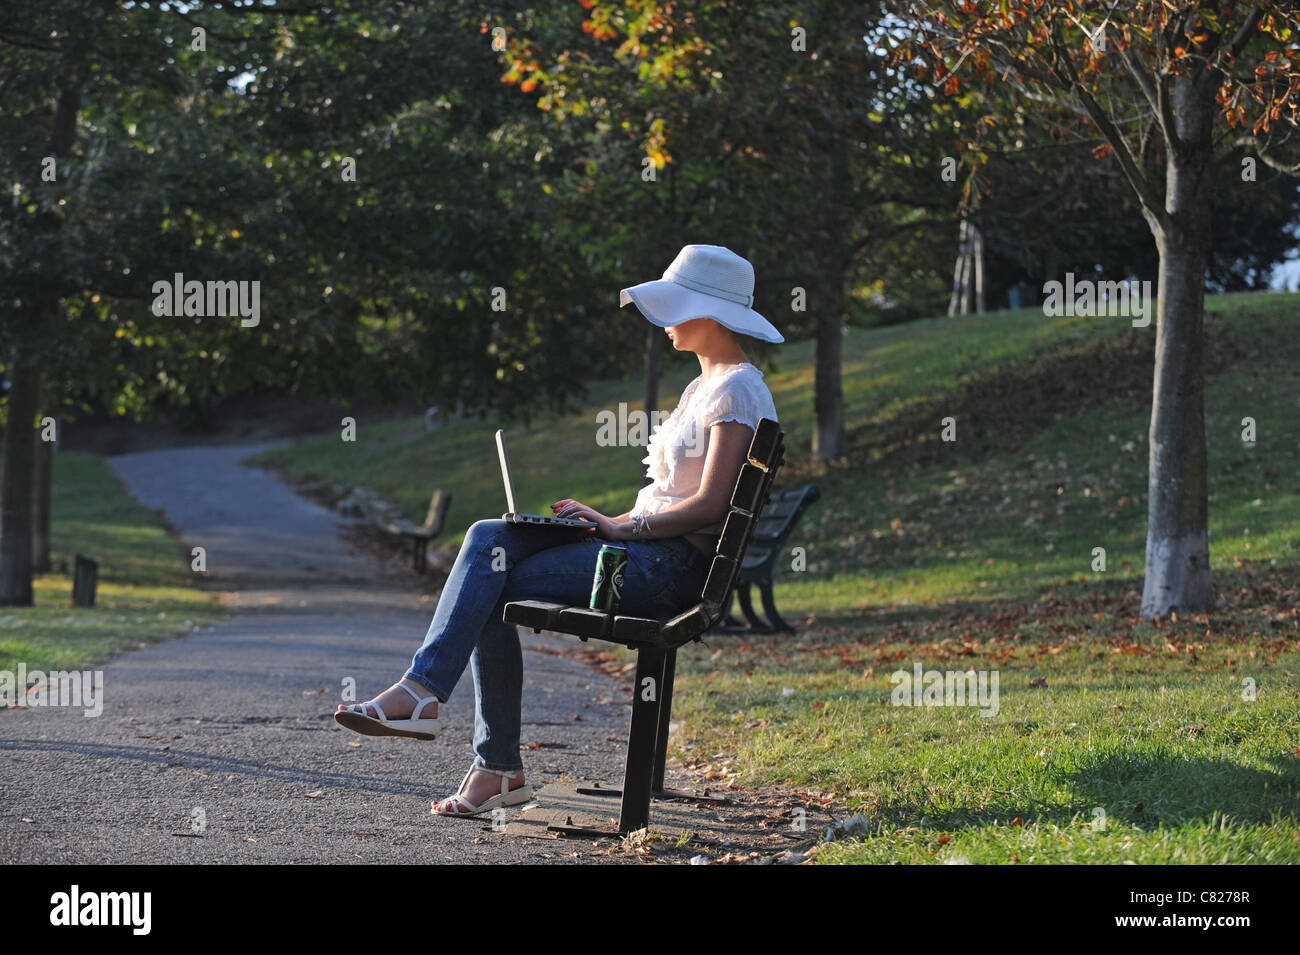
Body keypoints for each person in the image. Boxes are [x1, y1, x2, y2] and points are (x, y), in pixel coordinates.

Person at [334, 244, 782, 817]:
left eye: (677, 306)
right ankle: (431, 704)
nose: (665, 320)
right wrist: (610, 523)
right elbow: (679, 494)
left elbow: (710, 505)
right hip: (641, 551)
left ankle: (484, 757)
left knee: (493, 581)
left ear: (709, 313)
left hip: (667, 571)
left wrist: (622, 526)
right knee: (487, 536)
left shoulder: (738, 390)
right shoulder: (704, 387)